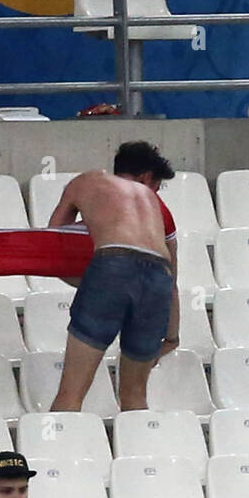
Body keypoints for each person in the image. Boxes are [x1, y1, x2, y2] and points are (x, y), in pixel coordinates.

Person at [48, 142, 179, 413]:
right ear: (146, 179)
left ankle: (54, 452)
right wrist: (172, 337)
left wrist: (88, 282)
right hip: (158, 277)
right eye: (157, 185)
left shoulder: (85, 182)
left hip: (112, 265)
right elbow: (172, 277)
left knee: (70, 395)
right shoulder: (155, 205)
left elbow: (51, 241)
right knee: (135, 400)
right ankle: (141, 452)